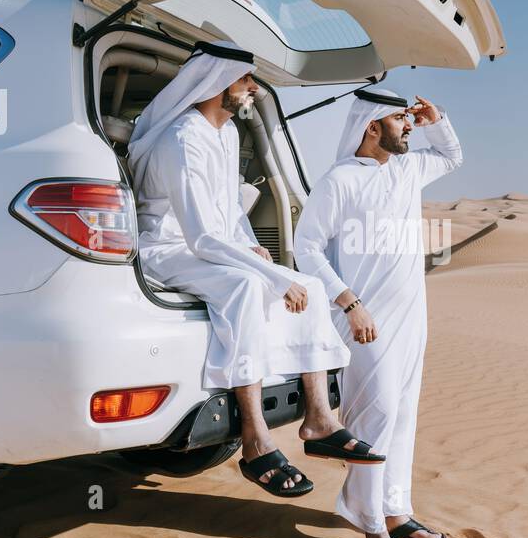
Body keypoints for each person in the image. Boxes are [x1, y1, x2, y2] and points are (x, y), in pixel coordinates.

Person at [128, 40, 381, 497]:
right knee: (248, 285)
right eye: (246, 80)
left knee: (310, 286)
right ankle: (254, 438)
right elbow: (201, 235)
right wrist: (271, 275)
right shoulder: (181, 139)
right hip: (166, 248)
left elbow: (228, 212)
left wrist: (252, 246)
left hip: (210, 245)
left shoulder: (225, 133)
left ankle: (320, 421)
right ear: (215, 82)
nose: (255, 90)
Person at [292, 87, 461, 538]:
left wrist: (436, 118)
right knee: (377, 415)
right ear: (372, 127)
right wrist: (348, 303)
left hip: (413, 318)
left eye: (410, 120)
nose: (408, 126)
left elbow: (452, 154)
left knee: (403, 413)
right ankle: (372, 528)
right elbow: (308, 248)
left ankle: (395, 509)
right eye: (400, 120)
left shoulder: (408, 170)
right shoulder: (339, 180)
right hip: (363, 321)